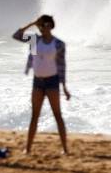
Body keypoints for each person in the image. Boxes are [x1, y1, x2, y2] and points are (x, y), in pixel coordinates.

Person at [12, 15, 70, 155]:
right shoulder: (34, 40)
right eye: (40, 26)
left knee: (57, 115)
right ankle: (28, 148)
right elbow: (16, 35)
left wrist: (64, 87)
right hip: (37, 81)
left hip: (52, 81)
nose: (41, 28)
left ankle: (65, 149)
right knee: (34, 115)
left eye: (44, 25)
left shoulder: (58, 44)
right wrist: (32, 23)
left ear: (50, 26)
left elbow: (62, 67)